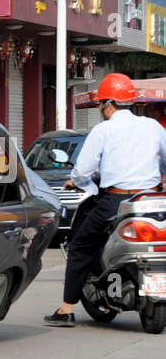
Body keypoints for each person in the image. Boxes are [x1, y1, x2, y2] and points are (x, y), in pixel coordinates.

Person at [44, 73, 166, 327]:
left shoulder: (103, 130)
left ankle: (66, 308)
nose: (100, 108)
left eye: (100, 103)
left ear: (108, 104)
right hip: (152, 200)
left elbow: (83, 169)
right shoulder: (153, 126)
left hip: (116, 202)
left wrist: (75, 181)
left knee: (79, 246)